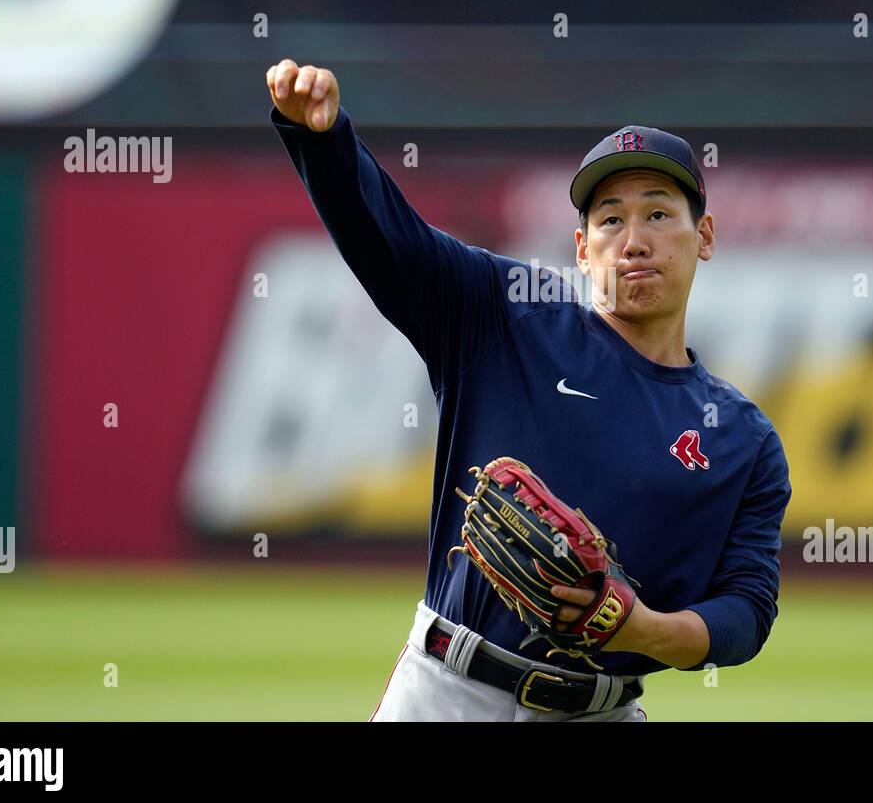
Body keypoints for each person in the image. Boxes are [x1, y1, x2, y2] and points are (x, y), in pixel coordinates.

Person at [266, 59, 793, 721]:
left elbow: (746, 612)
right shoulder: (506, 315)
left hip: (603, 709)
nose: (634, 241)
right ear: (580, 247)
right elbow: (389, 242)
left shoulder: (743, 439)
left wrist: (643, 630)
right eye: (609, 221)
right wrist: (322, 139)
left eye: (659, 214)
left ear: (705, 237)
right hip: (449, 694)